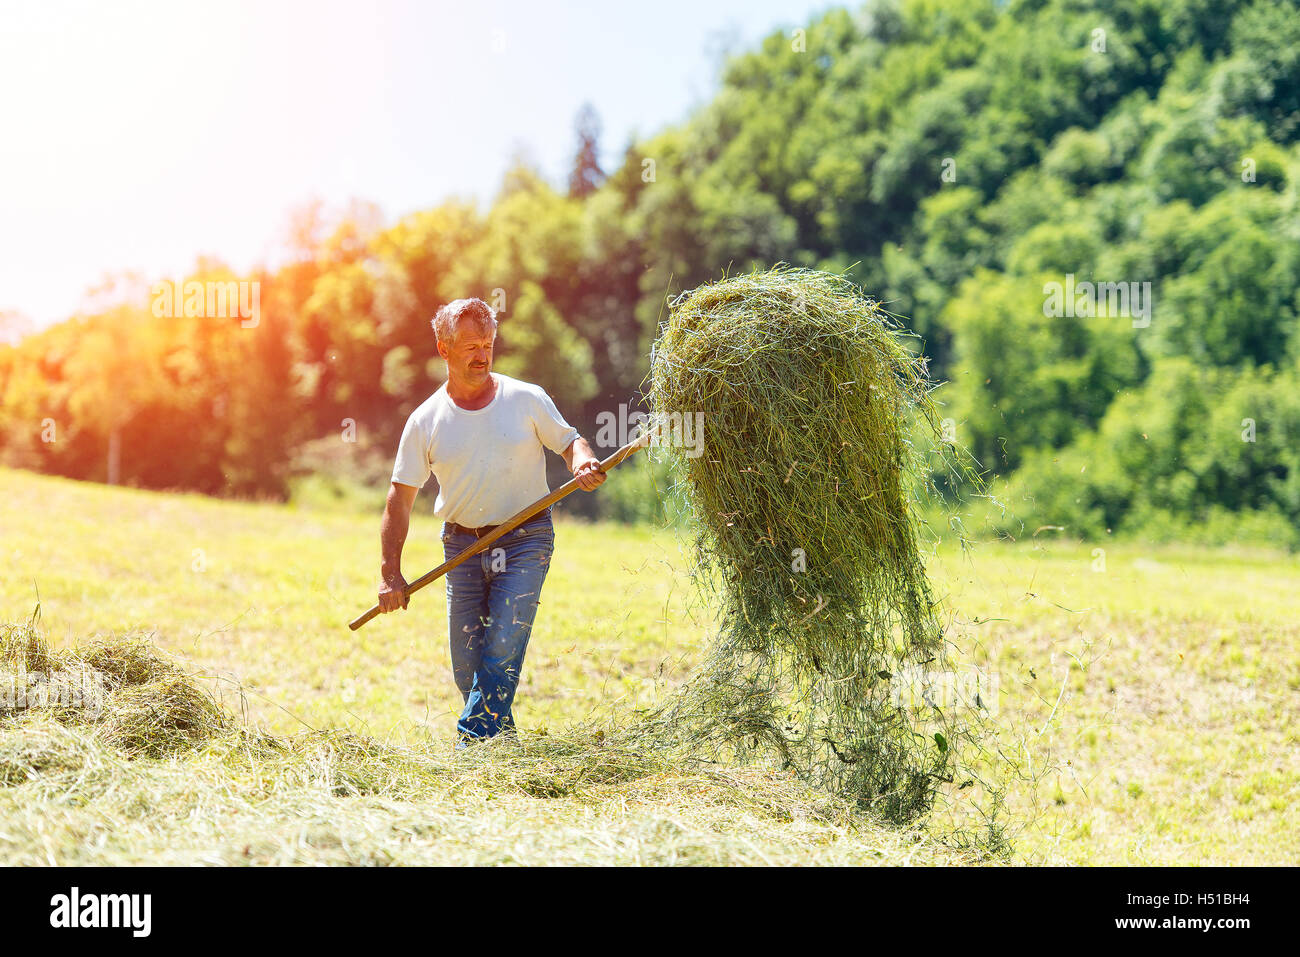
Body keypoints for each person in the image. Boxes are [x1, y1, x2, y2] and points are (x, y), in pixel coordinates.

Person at [376, 297, 605, 744]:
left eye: (488, 344)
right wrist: (390, 575)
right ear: (443, 349)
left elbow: (571, 442)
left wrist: (583, 463)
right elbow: (399, 500)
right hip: (461, 547)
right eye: (469, 347)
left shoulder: (526, 398)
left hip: (526, 538)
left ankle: (470, 745)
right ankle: (504, 750)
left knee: (502, 646)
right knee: (468, 665)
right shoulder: (426, 421)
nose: (482, 356)